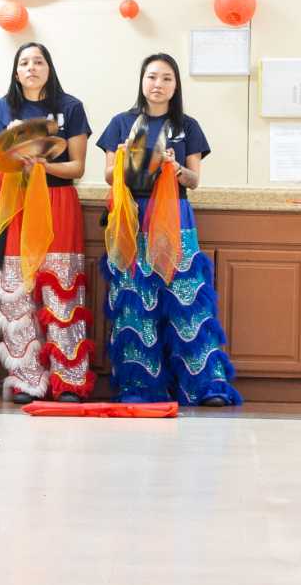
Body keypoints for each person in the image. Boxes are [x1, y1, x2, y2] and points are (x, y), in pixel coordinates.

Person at [95, 53, 240, 406]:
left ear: (176, 86)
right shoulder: (121, 123)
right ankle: (140, 386)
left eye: (166, 78)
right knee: (135, 302)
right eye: (152, 77)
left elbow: (194, 179)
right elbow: (109, 175)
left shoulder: (187, 126)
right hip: (132, 217)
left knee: (187, 301)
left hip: (175, 215)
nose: (158, 84)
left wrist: (175, 169)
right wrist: (125, 158)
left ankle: (205, 387)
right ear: (142, 81)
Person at [0, 41, 94, 403]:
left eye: (38, 62)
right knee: (18, 294)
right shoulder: (5, 106)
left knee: (62, 290)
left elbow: (77, 167)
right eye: (24, 63)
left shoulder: (71, 107)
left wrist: (44, 166)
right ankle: (27, 380)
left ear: (49, 68)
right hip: (16, 204)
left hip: (57, 200)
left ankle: (69, 381)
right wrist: (12, 150)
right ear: (16, 72)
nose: (31, 68)